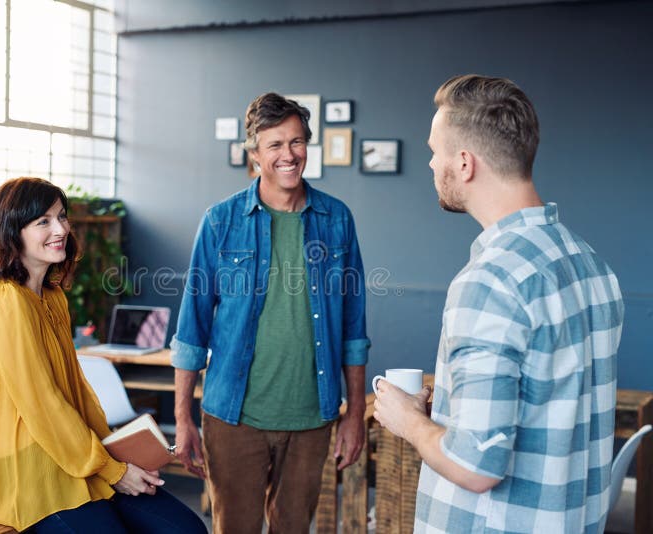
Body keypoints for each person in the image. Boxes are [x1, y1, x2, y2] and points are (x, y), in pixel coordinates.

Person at [373, 75, 624, 533]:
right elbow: (543, 412)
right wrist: (447, 415)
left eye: (435, 151)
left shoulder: (489, 282)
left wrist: (409, 422)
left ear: (465, 163)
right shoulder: (590, 265)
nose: (430, 163)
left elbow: (476, 467)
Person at [171, 92, 370, 533]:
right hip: (234, 418)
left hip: (311, 417)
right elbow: (192, 329)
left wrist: (354, 415)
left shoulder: (337, 220)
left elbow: (354, 329)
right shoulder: (221, 221)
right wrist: (183, 419)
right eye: (275, 144)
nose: (289, 155)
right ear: (255, 153)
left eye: (297, 142)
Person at [0, 177, 207, 534]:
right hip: (28, 477)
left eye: (62, 217)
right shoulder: (4, 301)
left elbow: (77, 392)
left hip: (78, 461)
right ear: (12, 231)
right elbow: (42, 405)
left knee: (186, 529)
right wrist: (112, 471)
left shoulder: (53, 297)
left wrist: (116, 458)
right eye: (43, 221)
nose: (60, 228)